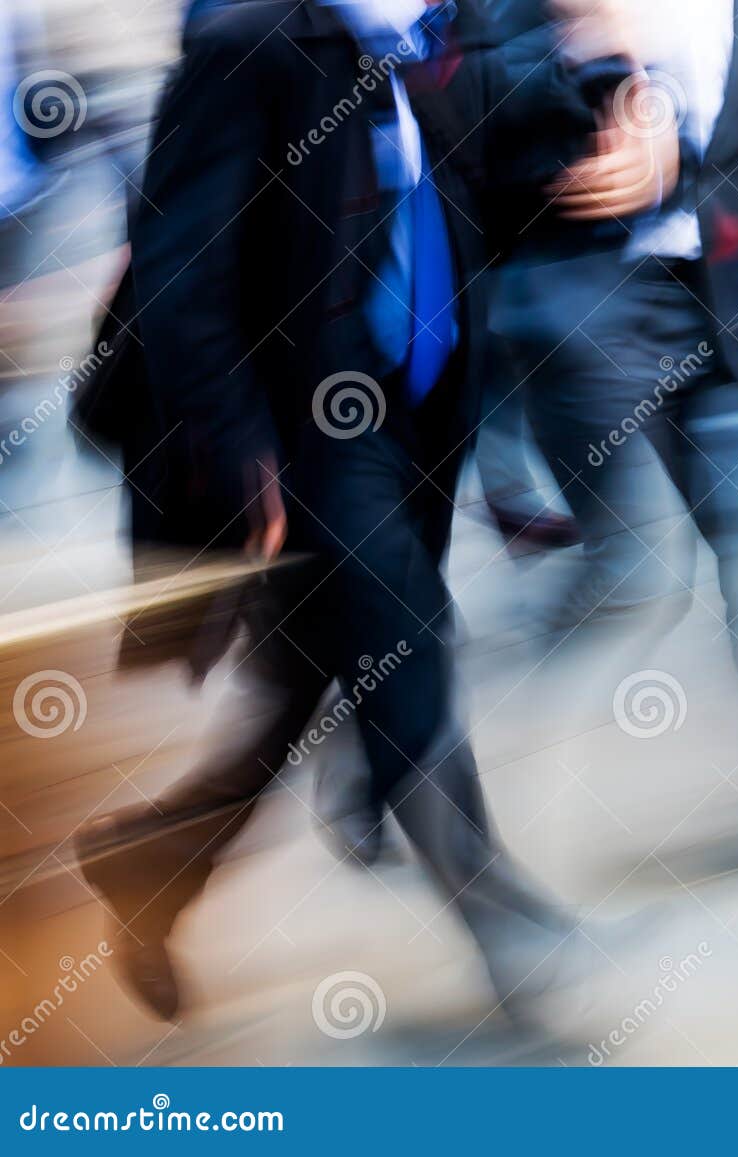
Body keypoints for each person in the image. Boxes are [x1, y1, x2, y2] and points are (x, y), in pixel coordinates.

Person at [71, 0, 670, 1022]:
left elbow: (496, 201)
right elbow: (180, 272)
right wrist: (236, 455)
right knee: (410, 655)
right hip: (308, 436)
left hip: (413, 428)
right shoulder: (251, 48)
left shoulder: (423, 49)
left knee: (304, 683)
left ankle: (153, 860)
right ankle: (513, 936)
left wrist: (634, 133)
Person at [493, 0, 738, 796]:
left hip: (718, 310)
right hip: (585, 305)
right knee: (641, 564)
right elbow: (457, 80)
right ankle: (495, 747)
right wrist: (577, 47)